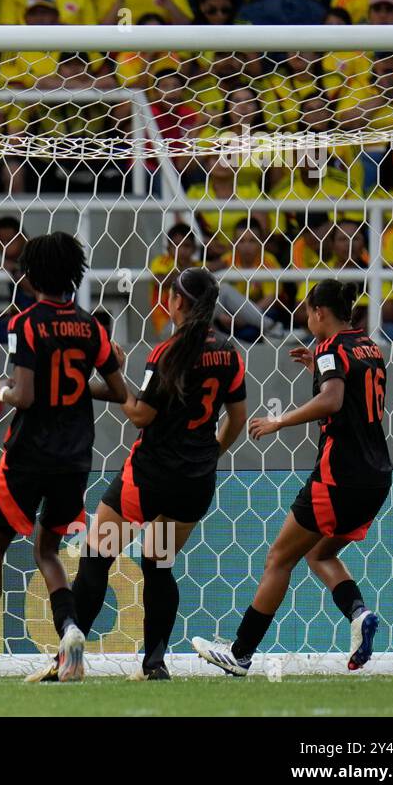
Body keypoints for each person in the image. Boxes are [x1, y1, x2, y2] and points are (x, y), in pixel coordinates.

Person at [195, 280, 393, 675]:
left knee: (278, 558)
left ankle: (241, 652)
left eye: (307, 311)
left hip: (338, 477)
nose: (306, 317)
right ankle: (359, 614)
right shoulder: (369, 348)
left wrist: (279, 420)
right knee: (319, 552)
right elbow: (347, 388)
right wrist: (317, 370)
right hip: (377, 476)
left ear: (320, 312)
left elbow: (333, 398)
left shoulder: (329, 348)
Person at [65, 268, 249, 680]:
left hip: (147, 481)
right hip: (192, 484)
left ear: (178, 301)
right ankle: (154, 664)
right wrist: (210, 452)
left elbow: (139, 414)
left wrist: (112, 378)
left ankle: (70, 658)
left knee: (96, 557)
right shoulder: (230, 352)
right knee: (158, 563)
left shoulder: (166, 352)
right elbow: (237, 418)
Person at [0, 233, 127, 683]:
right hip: (74, 458)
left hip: (28, 456)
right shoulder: (92, 326)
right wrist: (72, 390)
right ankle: (70, 629)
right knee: (48, 550)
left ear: (30, 276)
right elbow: (119, 390)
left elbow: (26, 395)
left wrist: (5, 390)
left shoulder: (24, 323)